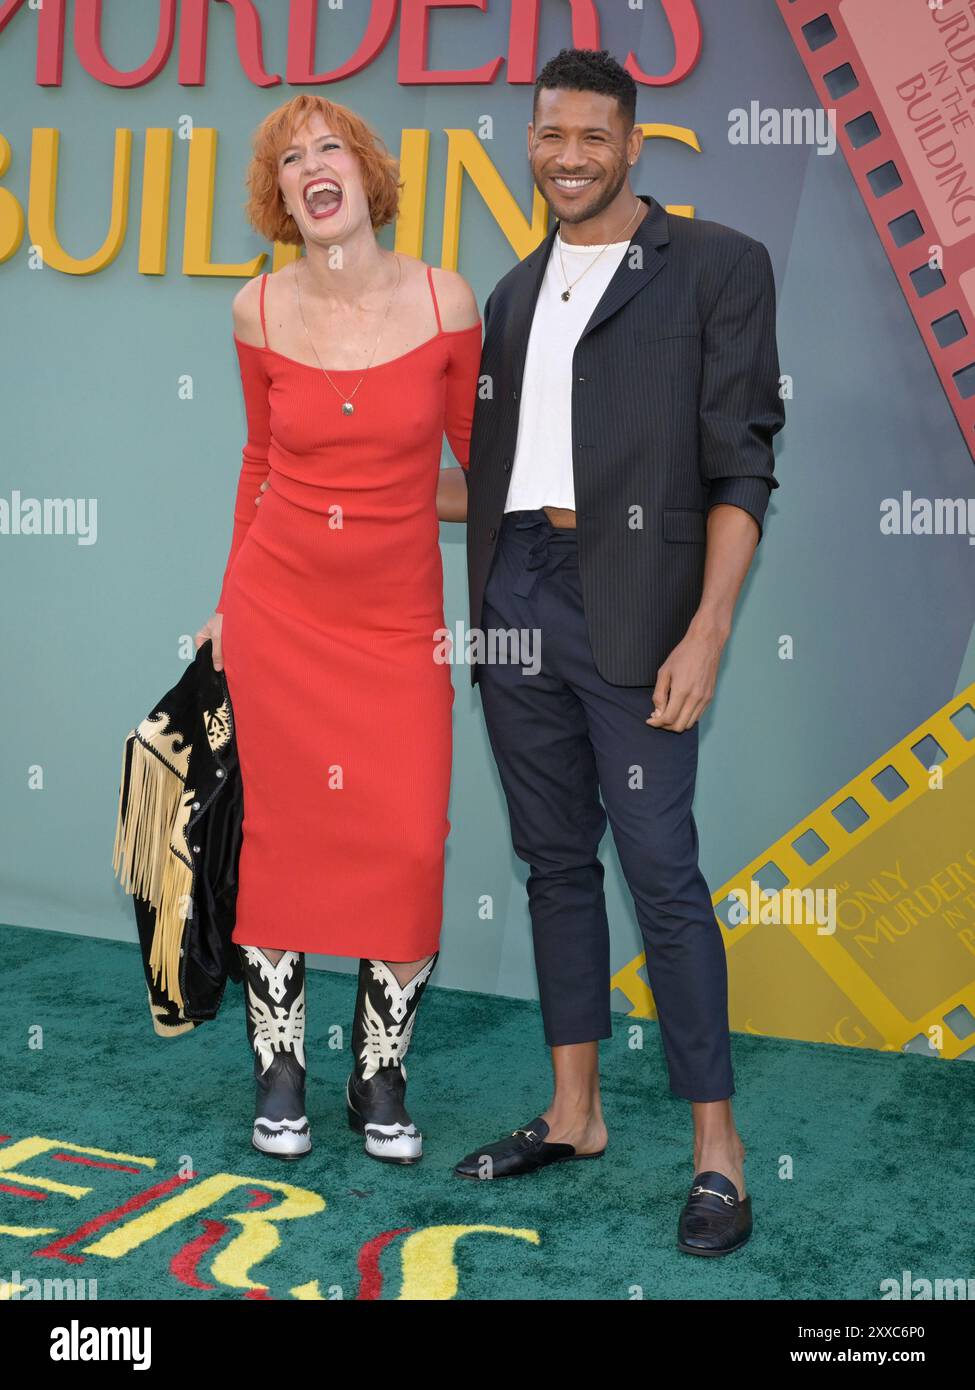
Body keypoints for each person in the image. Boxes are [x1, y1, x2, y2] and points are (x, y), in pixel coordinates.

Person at [455, 48, 785, 1256]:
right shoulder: (508, 293)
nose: (570, 157)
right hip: (516, 595)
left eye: (593, 136)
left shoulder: (716, 267)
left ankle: (719, 1151)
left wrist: (708, 628)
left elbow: (742, 462)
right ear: (530, 140)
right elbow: (498, 475)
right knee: (552, 863)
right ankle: (574, 1112)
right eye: (551, 135)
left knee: (662, 877)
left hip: (640, 605)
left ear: (633, 143)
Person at [194, 94, 480, 1164]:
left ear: (366, 175)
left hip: (398, 621)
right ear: (280, 199)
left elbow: (478, 467)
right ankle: (280, 1067)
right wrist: (229, 598)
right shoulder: (255, 313)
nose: (314, 169)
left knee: (407, 839)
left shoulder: (447, 302)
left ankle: (380, 1073)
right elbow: (260, 460)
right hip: (279, 610)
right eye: (291, 162)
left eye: (331, 151)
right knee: (278, 833)